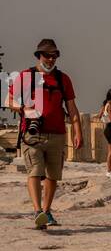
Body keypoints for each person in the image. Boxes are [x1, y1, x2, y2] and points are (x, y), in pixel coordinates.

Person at [11, 39, 83, 230]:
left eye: (54, 56)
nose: (50, 59)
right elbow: (10, 100)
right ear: (39, 56)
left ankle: (47, 210)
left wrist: (77, 131)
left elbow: (72, 107)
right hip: (32, 133)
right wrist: (23, 107)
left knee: (53, 175)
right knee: (34, 171)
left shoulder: (63, 79)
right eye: (47, 56)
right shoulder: (26, 76)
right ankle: (37, 211)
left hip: (57, 133)